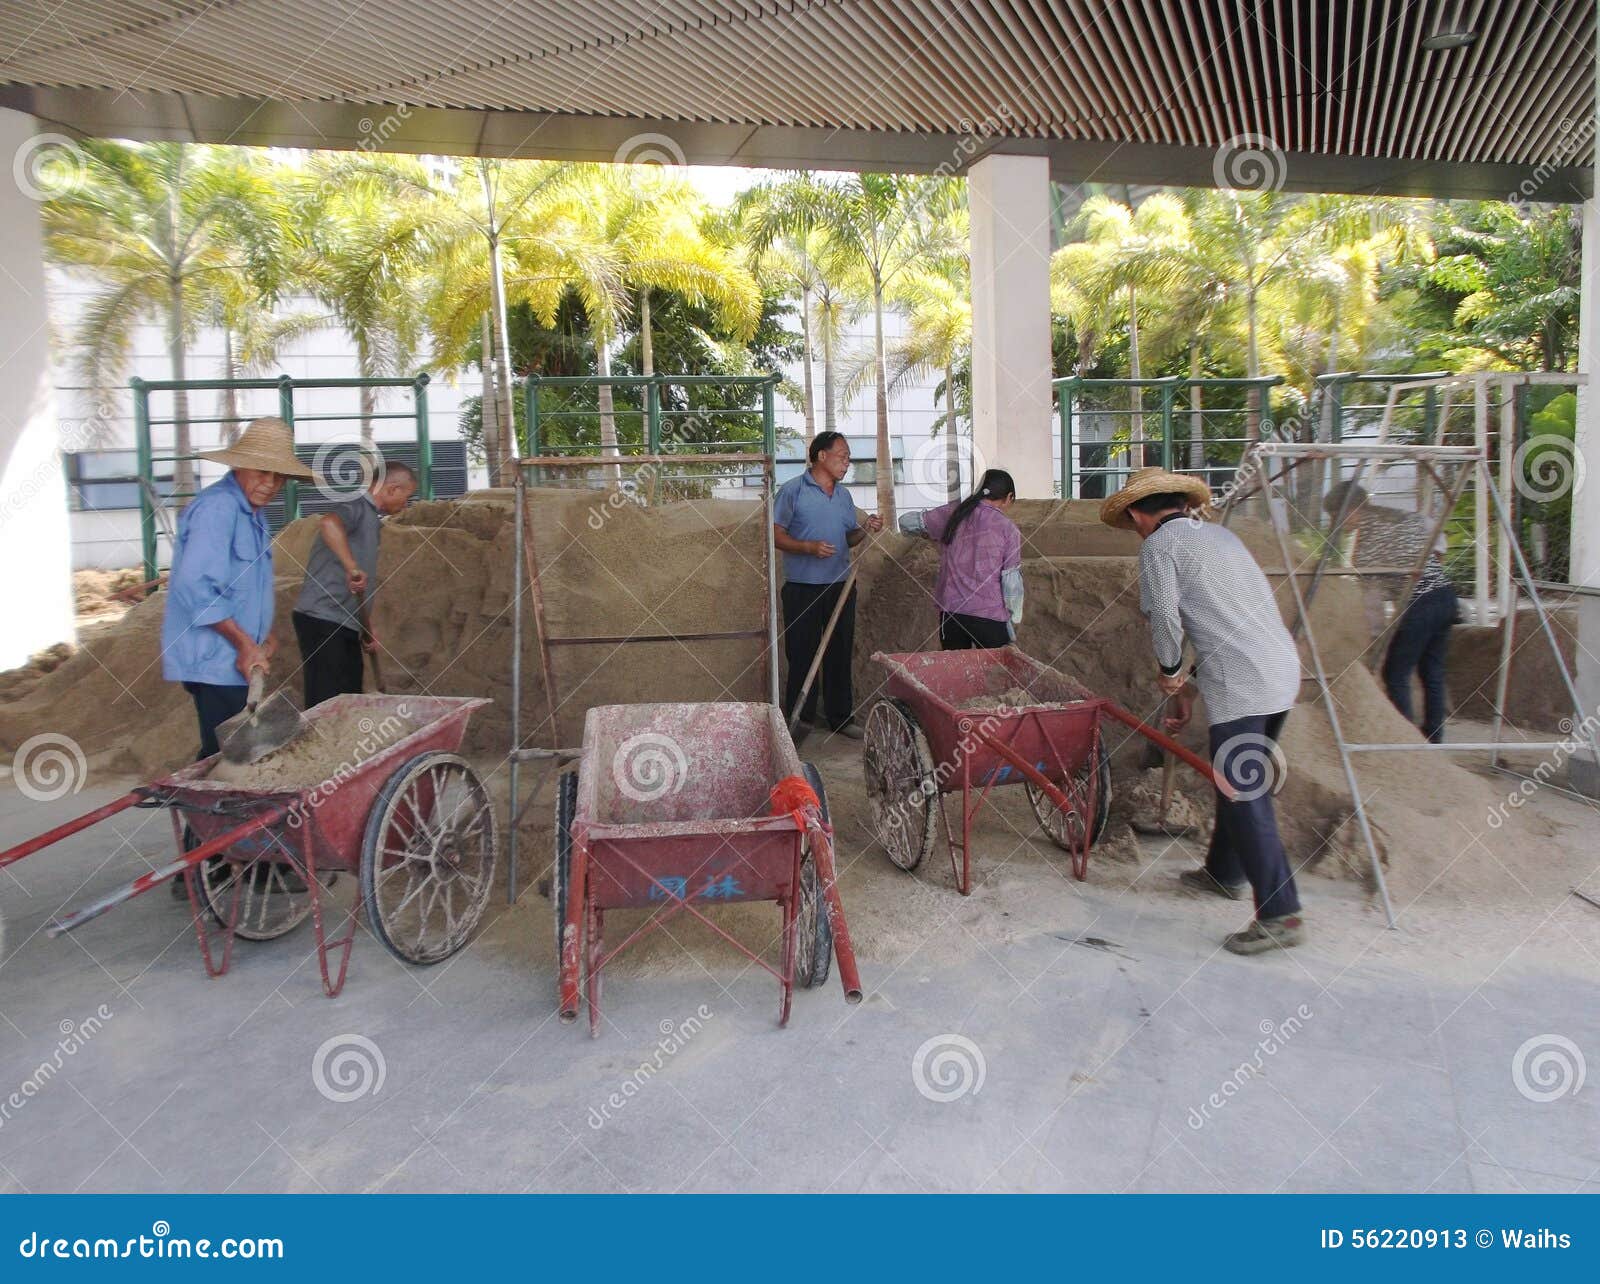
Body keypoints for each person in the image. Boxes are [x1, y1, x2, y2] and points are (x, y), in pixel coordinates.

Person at [1100, 467, 1306, 955]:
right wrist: (1191, 687)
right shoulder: (1220, 537)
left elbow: (1167, 618)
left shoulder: (1158, 548)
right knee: (1236, 780)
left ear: (1137, 515)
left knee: (1243, 791)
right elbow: (1231, 617)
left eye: (1132, 523)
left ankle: (1281, 914)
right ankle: (1224, 872)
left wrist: (1170, 674)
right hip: (1279, 669)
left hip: (1243, 684)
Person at [160, 417, 313, 759]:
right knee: (232, 756)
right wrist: (244, 644)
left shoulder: (253, 514)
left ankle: (214, 806)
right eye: (262, 472)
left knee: (232, 752)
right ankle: (213, 808)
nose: (270, 484)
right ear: (240, 466)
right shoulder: (218, 508)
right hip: (216, 657)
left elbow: (242, 585)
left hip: (234, 655)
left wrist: (262, 632)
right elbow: (196, 585)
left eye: (278, 476)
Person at [1324, 479, 1458, 744]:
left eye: (1336, 517)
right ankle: (1433, 739)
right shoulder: (1404, 517)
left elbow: (1371, 599)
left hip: (1421, 603)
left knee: (1394, 673)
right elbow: (1439, 546)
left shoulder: (1368, 538)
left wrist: (1374, 639)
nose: (1338, 525)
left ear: (1350, 510)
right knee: (1431, 671)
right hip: (1445, 596)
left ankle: (1404, 742)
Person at [773, 431, 884, 739]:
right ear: (821, 456)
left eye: (848, 458)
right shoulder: (792, 491)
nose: (847, 463)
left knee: (839, 652)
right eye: (842, 456)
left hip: (839, 587)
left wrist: (865, 528)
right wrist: (808, 547)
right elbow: (775, 535)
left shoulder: (844, 496)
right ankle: (801, 721)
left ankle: (840, 718)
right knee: (802, 655)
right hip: (802, 588)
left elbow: (848, 538)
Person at [292, 460, 418, 707]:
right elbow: (328, 523)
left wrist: (365, 628)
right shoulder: (357, 505)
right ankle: (322, 745)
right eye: (407, 496)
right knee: (327, 702)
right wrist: (351, 566)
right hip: (323, 619)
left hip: (343, 622)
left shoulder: (372, 519)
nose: (407, 504)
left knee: (348, 697)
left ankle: (341, 745)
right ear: (392, 489)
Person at [898, 468, 1023, 649]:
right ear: (1009, 497)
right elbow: (1011, 583)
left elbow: (906, 522)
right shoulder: (1008, 529)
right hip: (990, 615)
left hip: (952, 614)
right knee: (993, 673)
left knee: (956, 673)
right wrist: (1013, 615)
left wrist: (928, 533)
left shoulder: (954, 513)